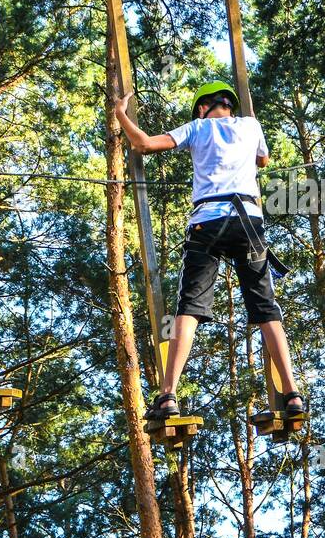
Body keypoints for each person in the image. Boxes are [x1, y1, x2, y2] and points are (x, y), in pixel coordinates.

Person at [115, 80, 306, 422]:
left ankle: (168, 395)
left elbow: (142, 144)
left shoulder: (197, 127)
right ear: (230, 104)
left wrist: (120, 114)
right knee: (266, 309)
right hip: (249, 224)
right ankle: (292, 395)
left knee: (188, 308)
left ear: (203, 107)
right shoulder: (251, 126)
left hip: (207, 223)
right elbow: (263, 160)